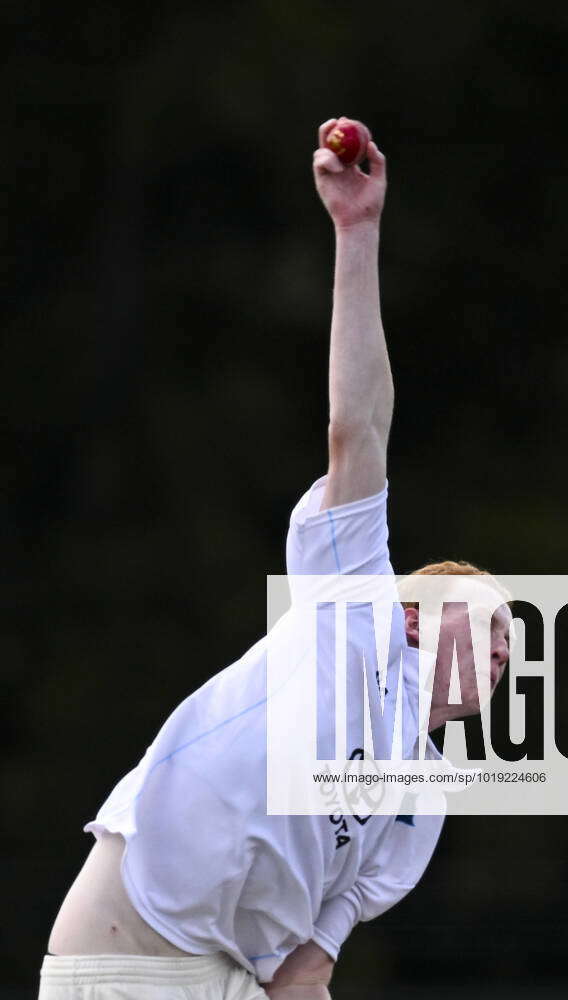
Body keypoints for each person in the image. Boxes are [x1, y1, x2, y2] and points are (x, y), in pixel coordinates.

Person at [39, 118, 511, 1000]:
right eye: (488, 624)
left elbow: (305, 971)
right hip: (129, 956)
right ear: (412, 616)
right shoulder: (355, 617)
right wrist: (358, 232)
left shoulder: (421, 806)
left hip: (231, 978)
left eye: (510, 649)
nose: (501, 653)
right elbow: (356, 428)